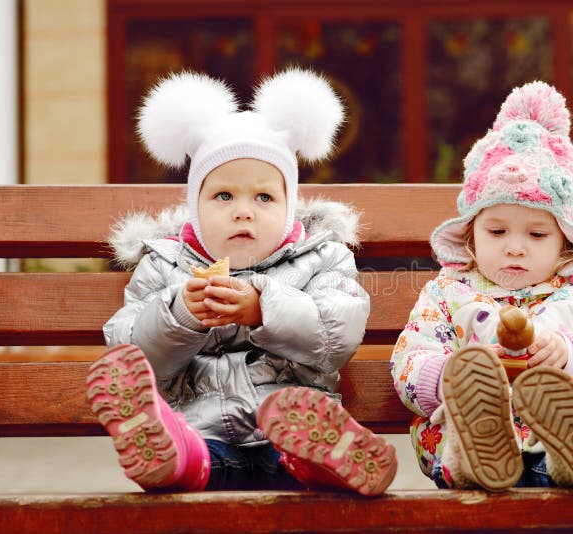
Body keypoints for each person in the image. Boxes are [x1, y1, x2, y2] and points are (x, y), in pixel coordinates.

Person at [86, 68, 397, 496]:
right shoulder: (164, 265)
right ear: (195, 205)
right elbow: (130, 352)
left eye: (264, 197)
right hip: (203, 432)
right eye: (224, 196)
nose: (243, 211)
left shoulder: (322, 257)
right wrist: (180, 315)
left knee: (299, 456)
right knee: (193, 458)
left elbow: (337, 333)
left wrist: (264, 307)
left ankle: (328, 459)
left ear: (289, 206)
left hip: (288, 435)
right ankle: (166, 456)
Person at [390, 81, 573, 496]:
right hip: (472, 434)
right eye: (497, 230)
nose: (515, 247)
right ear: (471, 232)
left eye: (537, 234)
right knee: (450, 429)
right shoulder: (448, 291)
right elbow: (409, 361)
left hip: (563, 437)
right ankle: (477, 452)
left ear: (566, 239)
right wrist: (456, 378)